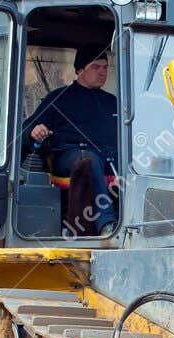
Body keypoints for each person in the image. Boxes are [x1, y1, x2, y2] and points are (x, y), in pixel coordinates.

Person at [21, 45, 119, 236]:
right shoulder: (58, 98)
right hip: (69, 156)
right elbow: (27, 128)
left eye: (105, 67)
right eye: (96, 67)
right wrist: (35, 130)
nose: (102, 72)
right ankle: (106, 222)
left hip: (111, 158)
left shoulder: (113, 102)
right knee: (87, 161)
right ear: (79, 70)